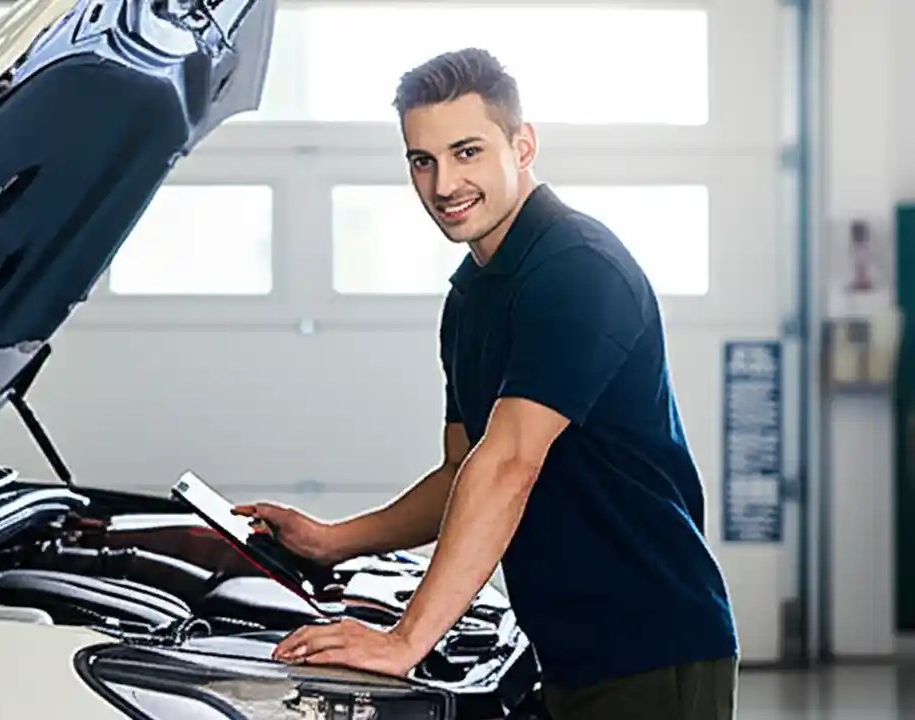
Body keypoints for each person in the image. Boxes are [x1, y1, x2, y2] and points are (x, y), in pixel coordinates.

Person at [233, 48, 740, 719]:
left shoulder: (577, 272)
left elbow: (508, 462)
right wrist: (333, 540)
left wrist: (405, 640)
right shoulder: (470, 297)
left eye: (467, 152)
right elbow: (460, 471)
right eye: (423, 160)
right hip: (567, 647)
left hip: (650, 647)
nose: (444, 183)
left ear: (522, 145)